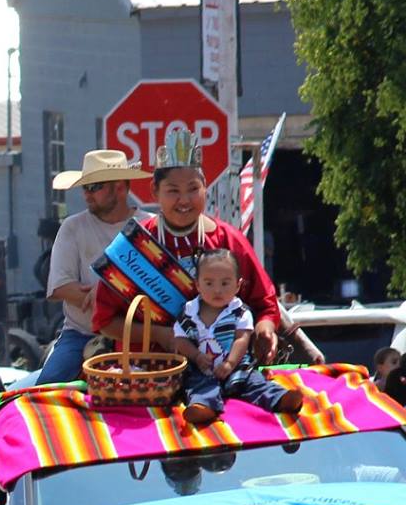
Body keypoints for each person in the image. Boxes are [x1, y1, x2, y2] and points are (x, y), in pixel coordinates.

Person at [87, 126, 285, 368]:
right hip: (149, 373)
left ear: (205, 187)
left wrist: (265, 329)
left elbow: (264, 302)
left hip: (223, 368)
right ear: (154, 191)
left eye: (193, 189)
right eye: (173, 191)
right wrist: (162, 335)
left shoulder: (227, 240)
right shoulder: (133, 247)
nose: (184, 200)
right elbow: (105, 321)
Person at [38, 149, 148, 385]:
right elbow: (60, 287)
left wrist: (103, 297)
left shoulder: (147, 227)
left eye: (94, 186)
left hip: (141, 335)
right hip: (81, 334)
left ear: (120, 187)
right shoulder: (72, 227)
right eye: (85, 187)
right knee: (45, 390)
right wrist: (113, 303)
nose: (87, 194)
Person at [168, 249, 299, 427]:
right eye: (209, 283)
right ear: (197, 285)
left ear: (238, 286)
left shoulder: (240, 311)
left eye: (225, 283)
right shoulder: (189, 312)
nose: (217, 290)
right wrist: (196, 356)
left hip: (237, 368)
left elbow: (242, 339)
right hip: (202, 370)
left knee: (255, 383)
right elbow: (180, 339)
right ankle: (204, 407)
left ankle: (281, 399)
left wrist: (230, 363)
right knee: (198, 387)